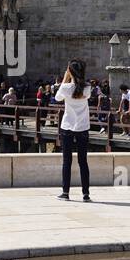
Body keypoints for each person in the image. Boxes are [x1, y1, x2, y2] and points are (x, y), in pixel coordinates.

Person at [55, 60, 92, 201]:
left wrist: (65, 78)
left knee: (67, 161)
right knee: (83, 161)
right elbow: (81, 92)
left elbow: (57, 98)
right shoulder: (87, 88)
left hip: (67, 126)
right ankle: (85, 194)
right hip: (83, 127)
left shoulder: (65, 88)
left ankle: (65, 193)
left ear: (70, 71)